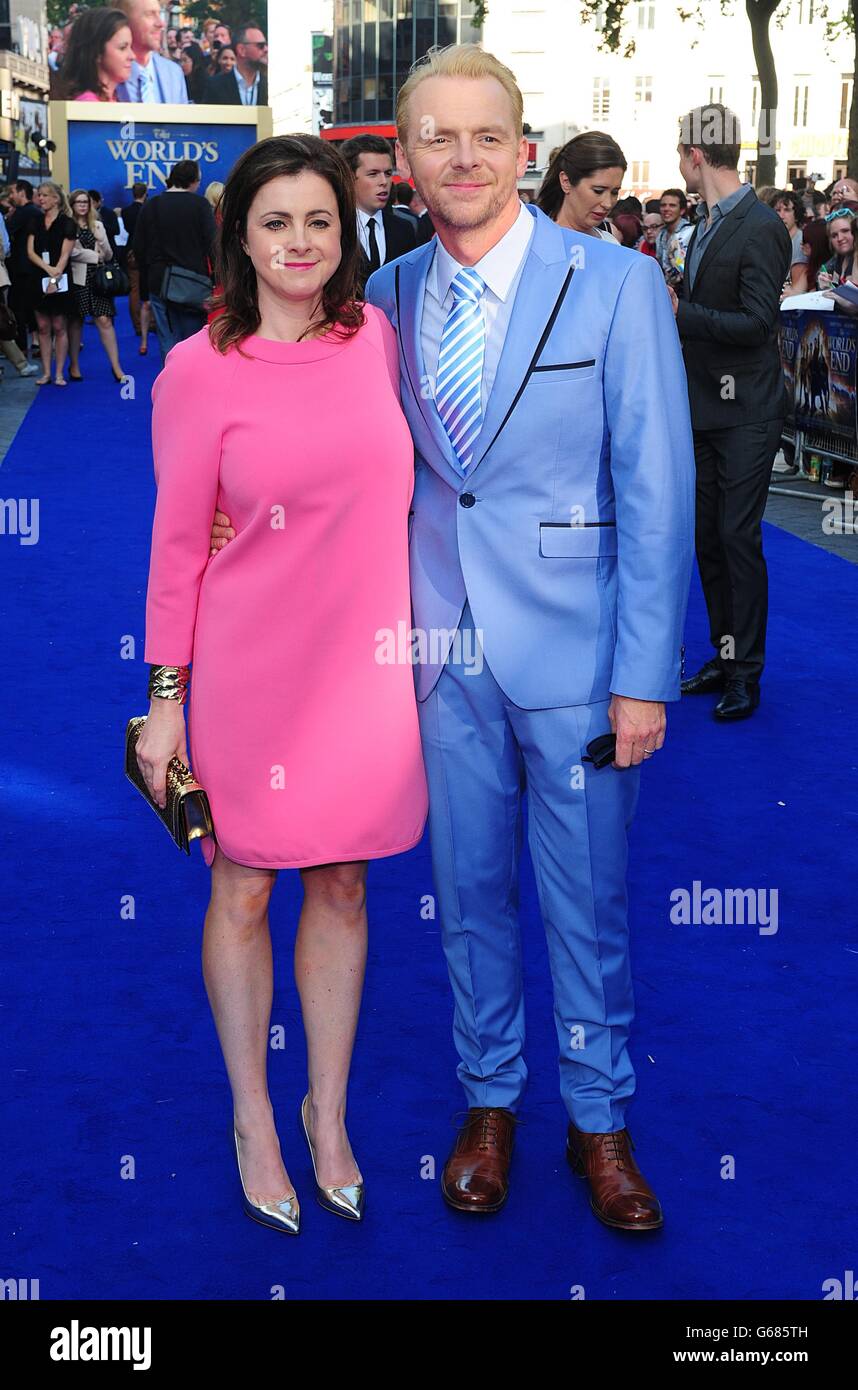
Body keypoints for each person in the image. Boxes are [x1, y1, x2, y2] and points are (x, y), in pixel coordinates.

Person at [211, 44, 697, 1231]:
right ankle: (489, 1102)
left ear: (523, 150)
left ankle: (600, 1119)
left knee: (588, 901)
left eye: (487, 136)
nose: (464, 158)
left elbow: (658, 488)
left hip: (581, 662)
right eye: (438, 138)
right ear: (407, 159)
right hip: (429, 660)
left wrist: (644, 675)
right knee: (465, 894)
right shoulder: (385, 299)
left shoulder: (618, 284)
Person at [136, 133, 428, 1236]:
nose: (300, 242)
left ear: (343, 230)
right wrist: (167, 700)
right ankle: (255, 1117)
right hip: (250, 669)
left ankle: (330, 1111)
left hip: (364, 668)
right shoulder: (200, 370)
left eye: (319, 220)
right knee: (247, 888)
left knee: (346, 882)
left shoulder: (377, 340)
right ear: (240, 238)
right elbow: (174, 549)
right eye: (276, 222)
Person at [671, 104, 791, 722]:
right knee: (708, 539)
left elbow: (758, 324)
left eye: (679, 152)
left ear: (696, 156)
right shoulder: (710, 222)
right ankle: (724, 655)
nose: (679, 163)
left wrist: (679, 313)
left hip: (746, 411)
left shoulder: (760, 225)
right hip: (705, 407)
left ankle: (746, 671)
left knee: (736, 538)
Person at [131, 158, 216, 363]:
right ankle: (192, 385)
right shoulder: (200, 205)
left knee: (166, 337)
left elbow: (138, 247)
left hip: (159, 281)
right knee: (193, 338)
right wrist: (216, 279)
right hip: (193, 282)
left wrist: (149, 273)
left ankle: (171, 385)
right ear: (194, 180)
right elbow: (212, 245)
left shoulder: (152, 205)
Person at [339, 134, 418, 292]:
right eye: (373, 174)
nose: (384, 181)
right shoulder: (335, 230)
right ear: (349, 177)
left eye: (388, 173)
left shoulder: (404, 229)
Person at [67, 189, 126, 383]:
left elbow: (108, 255)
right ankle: (74, 365)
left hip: (99, 279)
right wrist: (94, 256)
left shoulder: (98, 225)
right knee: (76, 322)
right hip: (78, 279)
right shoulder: (68, 226)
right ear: (72, 205)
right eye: (78, 202)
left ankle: (117, 368)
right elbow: (71, 253)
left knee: (104, 321)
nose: (83, 205)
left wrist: (102, 242)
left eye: (86, 202)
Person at [26, 181, 77, 386]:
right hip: (38, 277)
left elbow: (66, 254)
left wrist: (55, 275)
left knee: (59, 325)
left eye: (45, 195)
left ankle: (59, 373)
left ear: (56, 199)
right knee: (43, 326)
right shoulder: (34, 221)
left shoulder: (67, 223)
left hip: (61, 278)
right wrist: (48, 271)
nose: (41, 199)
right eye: (39, 195)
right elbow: (30, 251)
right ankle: (46, 372)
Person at [535, 132, 625, 241]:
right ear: (566, 181)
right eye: (598, 191)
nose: (608, 204)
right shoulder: (531, 238)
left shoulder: (610, 243)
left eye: (614, 192)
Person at [114, 0, 189, 103]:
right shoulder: (108, 74)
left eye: (159, 14)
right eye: (150, 14)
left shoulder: (174, 73)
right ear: (125, 21)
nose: (161, 24)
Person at [61, 7, 134, 101]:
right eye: (122, 48)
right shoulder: (87, 104)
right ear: (97, 51)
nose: (132, 56)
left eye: (131, 47)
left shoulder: (115, 98)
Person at [6, 180, 42, 358]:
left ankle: (21, 346)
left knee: (17, 307)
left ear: (21, 192)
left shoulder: (23, 213)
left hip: (21, 268)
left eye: (12, 192)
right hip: (31, 267)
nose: (10, 196)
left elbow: (5, 234)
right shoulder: (34, 212)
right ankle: (33, 342)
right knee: (31, 306)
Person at [120, 182, 151, 351]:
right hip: (145, 252)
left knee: (134, 289)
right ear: (145, 193)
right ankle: (149, 323)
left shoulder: (126, 212)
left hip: (130, 250)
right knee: (148, 289)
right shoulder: (147, 210)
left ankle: (138, 325)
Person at [205, 24, 268, 105]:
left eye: (266, 44)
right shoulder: (215, 86)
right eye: (261, 46)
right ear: (241, 50)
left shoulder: (271, 85)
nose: (266, 49)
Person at [775, 190, 808, 292]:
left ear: (796, 214)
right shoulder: (775, 240)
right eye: (778, 210)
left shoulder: (800, 240)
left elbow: (797, 287)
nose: (781, 215)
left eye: (787, 210)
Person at [817, 208, 857, 287]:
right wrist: (826, 286)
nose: (840, 238)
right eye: (834, 235)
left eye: (845, 231)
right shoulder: (836, 261)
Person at [655, 188, 690, 274]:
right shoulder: (661, 234)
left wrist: (673, 259)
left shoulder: (688, 233)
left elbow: (683, 267)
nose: (666, 209)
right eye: (663, 205)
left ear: (682, 210)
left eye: (672, 205)